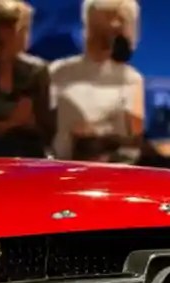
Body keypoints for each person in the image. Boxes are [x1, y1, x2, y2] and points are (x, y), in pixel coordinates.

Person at [50, 0, 145, 163]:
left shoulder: (131, 79)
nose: (113, 25)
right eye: (108, 17)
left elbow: (135, 140)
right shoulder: (58, 72)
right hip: (61, 168)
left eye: (119, 20)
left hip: (112, 170)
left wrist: (98, 135)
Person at [0, 0, 54, 158]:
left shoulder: (37, 72)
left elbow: (48, 130)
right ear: (4, 31)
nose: (28, 35)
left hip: (33, 164)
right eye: (24, 28)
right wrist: (13, 122)